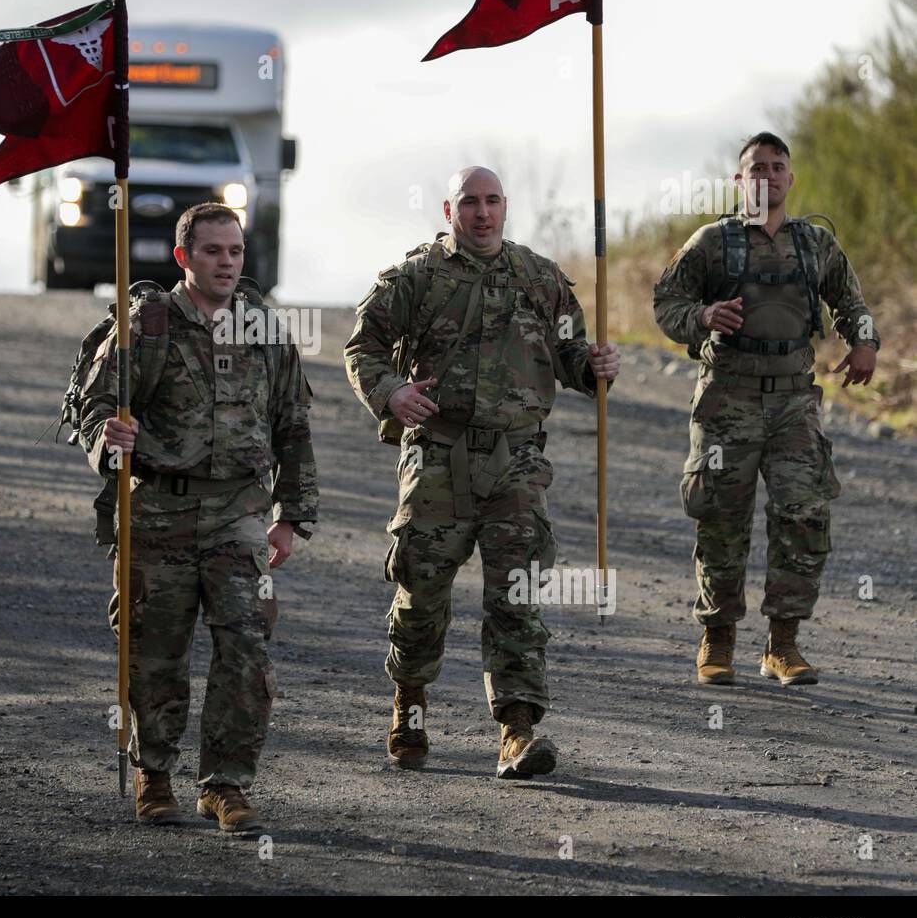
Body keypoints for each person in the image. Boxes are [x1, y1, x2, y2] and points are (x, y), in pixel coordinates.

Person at [345, 166, 620, 779]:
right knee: (422, 592)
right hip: (437, 456)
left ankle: (518, 732)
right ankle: (409, 705)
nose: (483, 213)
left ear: (505, 206)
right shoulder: (415, 278)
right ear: (449, 209)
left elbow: (573, 356)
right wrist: (390, 392)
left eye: (493, 201)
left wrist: (597, 365)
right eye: (470, 202)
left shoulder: (541, 278)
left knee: (517, 594)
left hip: (516, 460)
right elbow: (361, 346)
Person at [76, 202, 317, 833]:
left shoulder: (265, 328)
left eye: (235, 251)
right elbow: (96, 404)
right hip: (159, 507)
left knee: (246, 644)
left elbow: (293, 423)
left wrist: (293, 515)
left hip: (240, 509)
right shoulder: (148, 326)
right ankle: (153, 771)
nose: (227, 262)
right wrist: (110, 436)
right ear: (184, 257)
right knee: (156, 650)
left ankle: (227, 784)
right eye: (213, 251)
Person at [653, 132, 878, 686]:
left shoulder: (816, 243)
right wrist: (703, 317)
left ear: (791, 178)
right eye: (757, 167)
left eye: (778, 167)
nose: (768, 176)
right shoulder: (712, 243)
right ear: (739, 179)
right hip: (727, 398)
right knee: (722, 520)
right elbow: (666, 303)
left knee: (803, 515)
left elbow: (850, 302)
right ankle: (718, 639)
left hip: (794, 401)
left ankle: (783, 644)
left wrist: (865, 342)